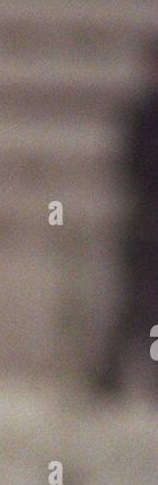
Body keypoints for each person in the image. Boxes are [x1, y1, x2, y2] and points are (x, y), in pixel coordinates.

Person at [95, 35, 158, 397]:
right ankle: (112, 375)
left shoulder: (141, 113)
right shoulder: (142, 113)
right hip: (146, 217)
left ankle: (113, 375)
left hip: (144, 216)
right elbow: (133, 166)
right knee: (135, 300)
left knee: (136, 302)